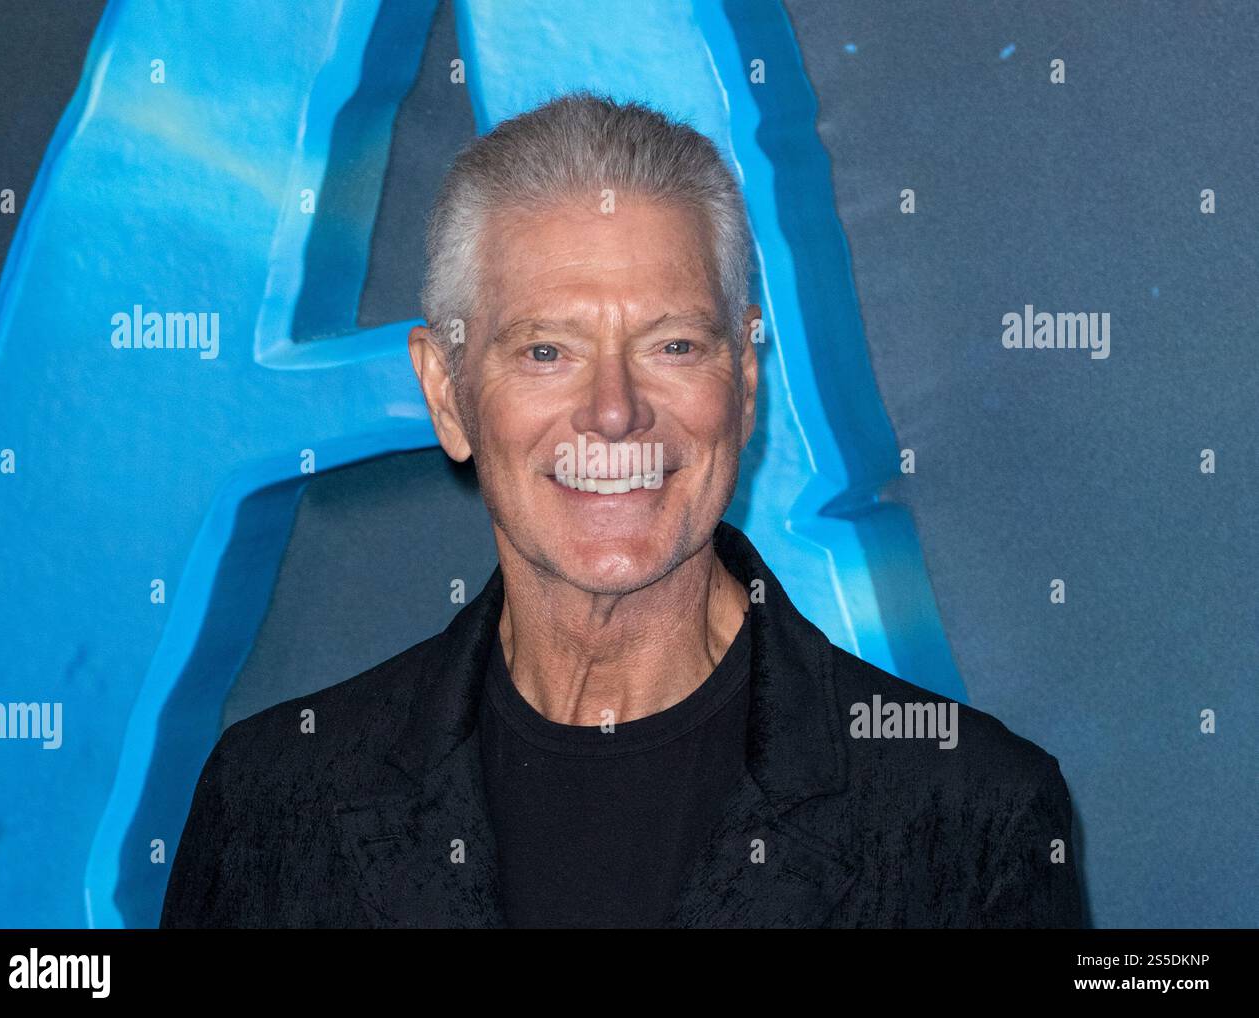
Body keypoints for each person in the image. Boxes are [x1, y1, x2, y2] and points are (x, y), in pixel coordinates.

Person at [160, 92, 1082, 929]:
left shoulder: (969, 819)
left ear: (745, 390)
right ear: (447, 394)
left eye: (673, 345)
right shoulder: (276, 805)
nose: (614, 411)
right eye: (547, 352)